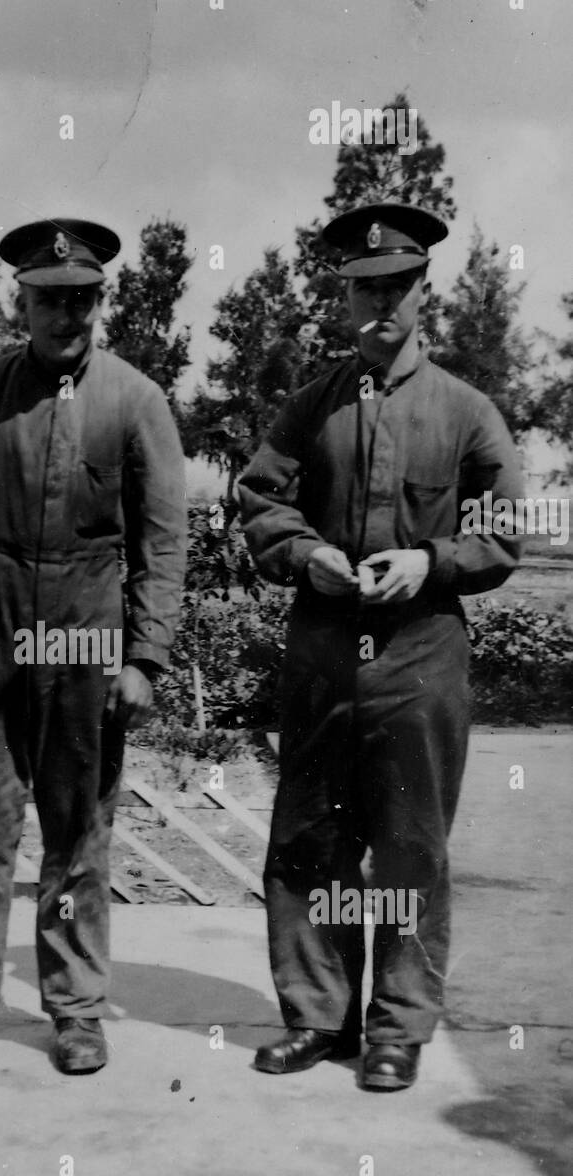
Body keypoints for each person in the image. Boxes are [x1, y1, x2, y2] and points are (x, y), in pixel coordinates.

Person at [0, 218, 187, 1075]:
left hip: (88, 624)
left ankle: (78, 1011)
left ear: (100, 300)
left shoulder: (136, 401)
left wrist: (145, 657)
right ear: (21, 301)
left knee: (77, 826)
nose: (66, 316)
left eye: (81, 299)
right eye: (49, 300)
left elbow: (163, 543)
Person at [239, 203, 524, 1090]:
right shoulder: (310, 406)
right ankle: (319, 1018)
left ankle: (397, 1028)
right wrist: (307, 555)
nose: (382, 305)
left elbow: (501, 531)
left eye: (397, 287)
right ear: (345, 297)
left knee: (408, 845)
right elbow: (260, 500)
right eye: (366, 290)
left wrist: (431, 561)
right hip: (323, 655)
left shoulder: (468, 413)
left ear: (422, 289)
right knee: (312, 841)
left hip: (420, 657)